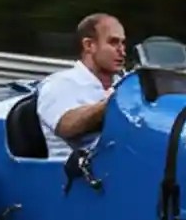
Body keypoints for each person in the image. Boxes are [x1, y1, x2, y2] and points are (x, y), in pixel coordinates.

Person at [37, 13, 127, 159]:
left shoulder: (125, 83)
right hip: (71, 169)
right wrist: (110, 104)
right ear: (89, 45)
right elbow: (66, 125)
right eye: (113, 42)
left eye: (123, 43)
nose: (122, 51)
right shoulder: (60, 84)